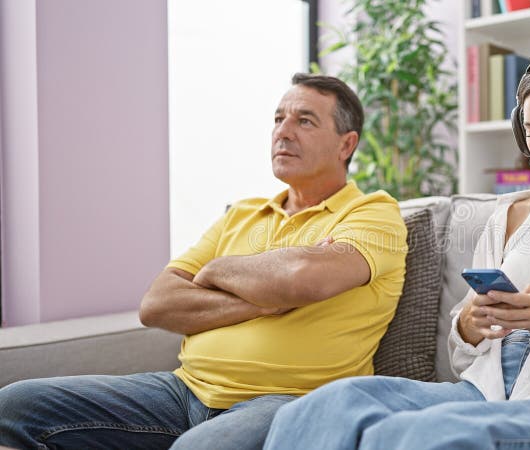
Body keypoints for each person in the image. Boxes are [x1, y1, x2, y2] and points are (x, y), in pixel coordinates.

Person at [262, 46, 530, 450]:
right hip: (484, 395)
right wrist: (472, 325)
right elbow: (463, 357)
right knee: (334, 401)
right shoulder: (508, 215)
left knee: (418, 435)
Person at [0, 73, 408, 450]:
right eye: (278, 119)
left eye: (304, 121)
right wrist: (263, 297)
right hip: (182, 392)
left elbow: (304, 279)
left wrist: (217, 272)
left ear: (346, 144)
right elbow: (157, 305)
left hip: (290, 400)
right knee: (14, 403)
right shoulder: (242, 214)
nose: (282, 132)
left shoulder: (372, 213)